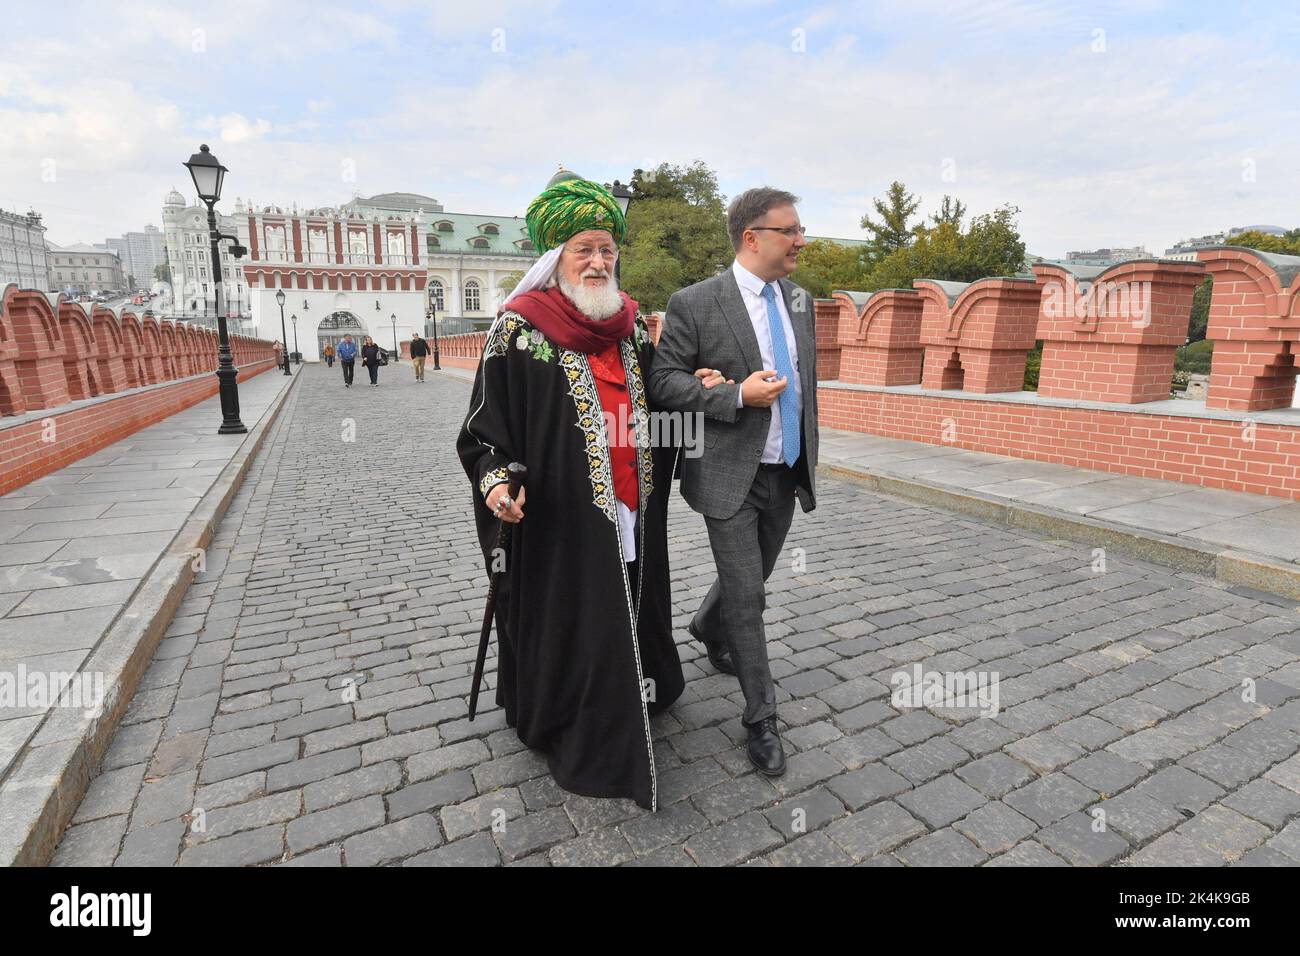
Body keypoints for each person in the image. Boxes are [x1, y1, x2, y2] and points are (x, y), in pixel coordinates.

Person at [457, 176, 726, 811]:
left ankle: (637, 686)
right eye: (586, 250)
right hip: (563, 516)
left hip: (634, 502)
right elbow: (484, 426)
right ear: (556, 258)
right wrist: (497, 480)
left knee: (631, 594)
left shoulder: (629, 327)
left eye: (608, 250)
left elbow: (653, 406)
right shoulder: (519, 331)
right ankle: (575, 717)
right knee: (578, 609)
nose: (601, 262)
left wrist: (696, 389)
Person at [647, 187, 819, 778]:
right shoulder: (695, 302)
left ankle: (704, 625)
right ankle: (761, 718)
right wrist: (732, 393)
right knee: (749, 594)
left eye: (801, 229)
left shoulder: (801, 301)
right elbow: (662, 384)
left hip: (786, 468)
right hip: (727, 475)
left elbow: (805, 384)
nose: (801, 240)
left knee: (755, 574)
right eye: (790, 230)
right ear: (753, 237)